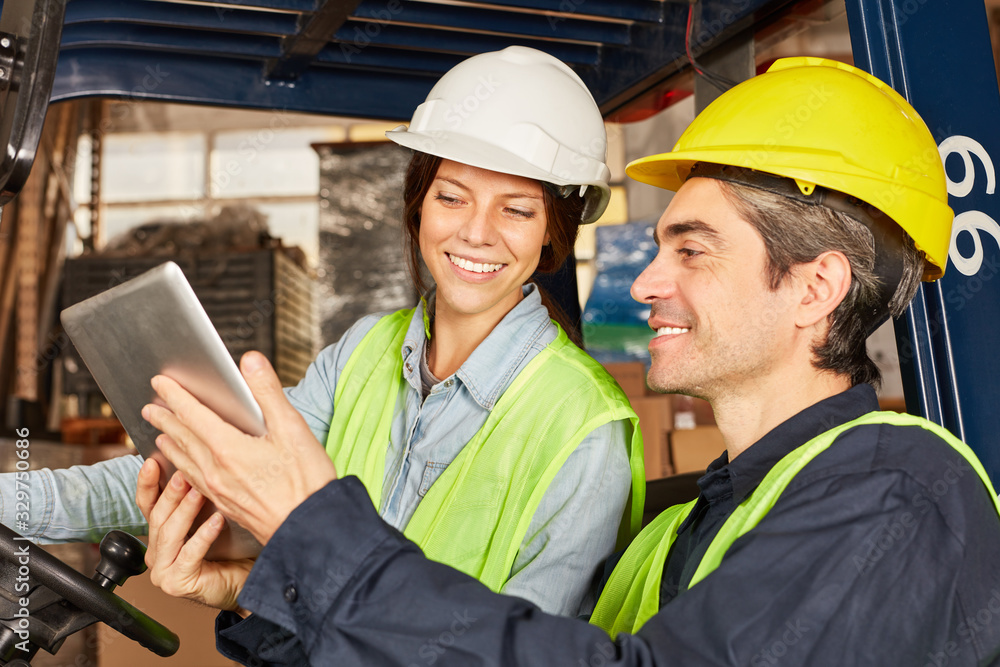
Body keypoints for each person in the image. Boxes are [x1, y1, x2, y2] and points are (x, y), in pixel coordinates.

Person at [141, 57, 1000, 665]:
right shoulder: (679, 535)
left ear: (815, 288)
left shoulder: (901, 496)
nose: (649, 279)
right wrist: (260, 594)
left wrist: (317, 533)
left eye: (691, 252)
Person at [0, 46, 646, 617]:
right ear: (418, 204)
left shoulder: (586, 427)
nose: (476, 232)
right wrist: (229, 585)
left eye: (517, 208)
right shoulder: (364, 350)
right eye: (452, 196)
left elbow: (525, 649)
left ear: (553, 229)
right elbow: (205, 471)